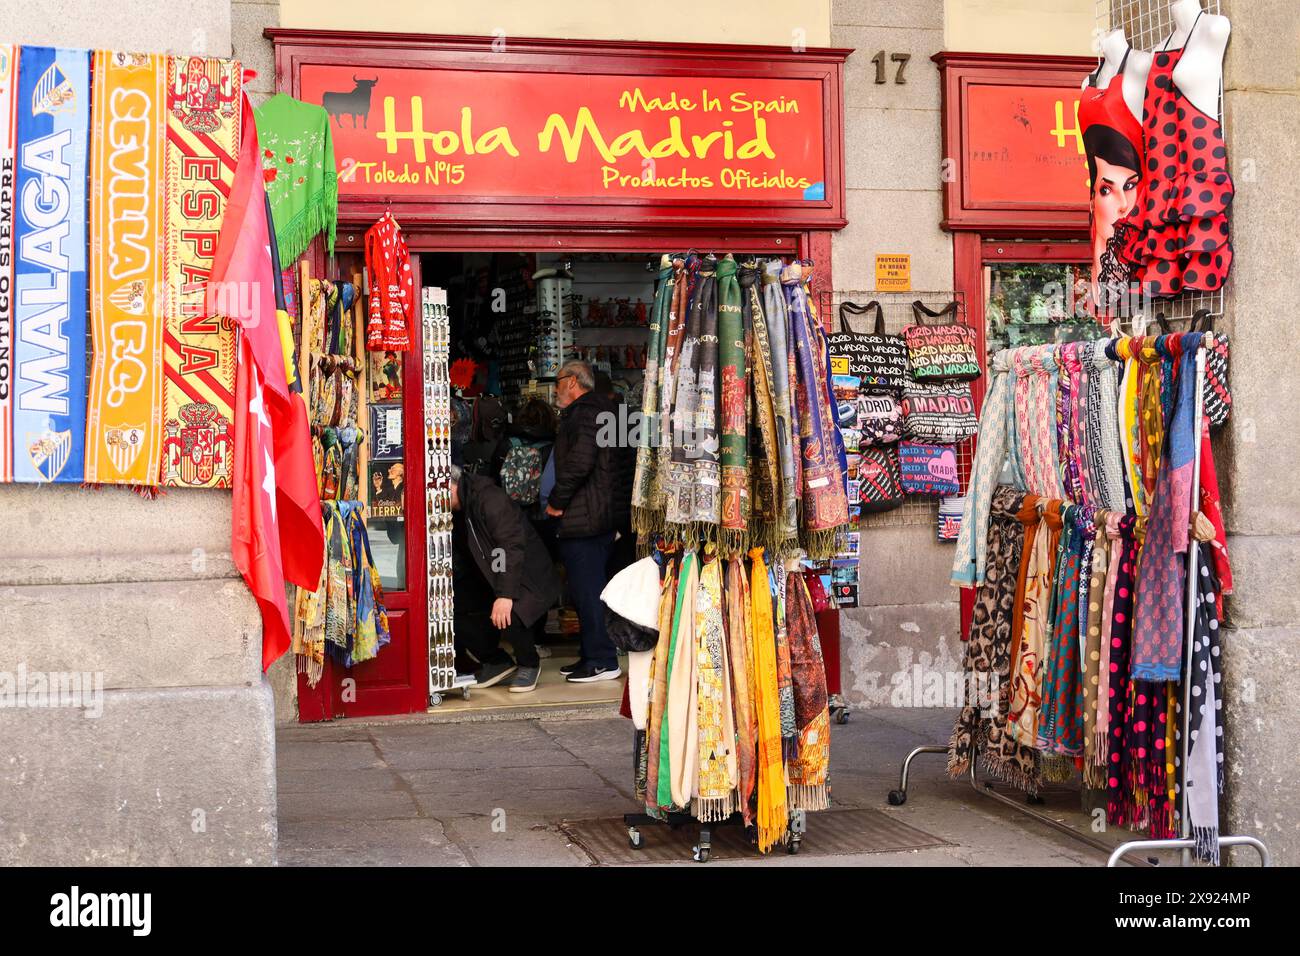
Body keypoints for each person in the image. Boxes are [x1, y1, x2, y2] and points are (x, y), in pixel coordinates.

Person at [450, 463, 559, 693]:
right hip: (497, 569)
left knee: (510, 609)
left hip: (528, 574)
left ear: (452, 487)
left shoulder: (489, 499)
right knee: (452, 603)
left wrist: (504, 594)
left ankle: (529, 663)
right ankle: (496, 660)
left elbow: (509, 546)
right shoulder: (463, 506)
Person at [547, 359, 620, 683]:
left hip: (585, 517)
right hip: (595, 515)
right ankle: (592, 654)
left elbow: (579, 462)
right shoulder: (600, 409)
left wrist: (556, 502)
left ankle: (603, 659)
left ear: (573, 381)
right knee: (586, 588)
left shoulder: (585, 412)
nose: (555, 388)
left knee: (588, 589)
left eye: (559, 381)